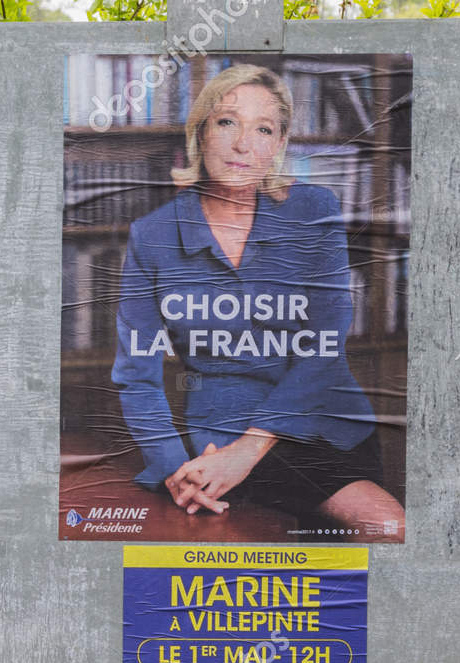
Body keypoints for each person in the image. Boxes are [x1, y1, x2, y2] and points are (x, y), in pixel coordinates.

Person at [112, 63, 404, 541]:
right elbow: (136, 374)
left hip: (320, 426)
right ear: (201, 131)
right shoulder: (153, 235)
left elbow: (325, 346)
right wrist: (175, 470)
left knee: (388, 529)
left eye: (262, 128)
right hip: (217, 438)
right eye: (227, 122)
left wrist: (246, 452)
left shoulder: (315, 209)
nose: (242, 144)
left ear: (279, 143)